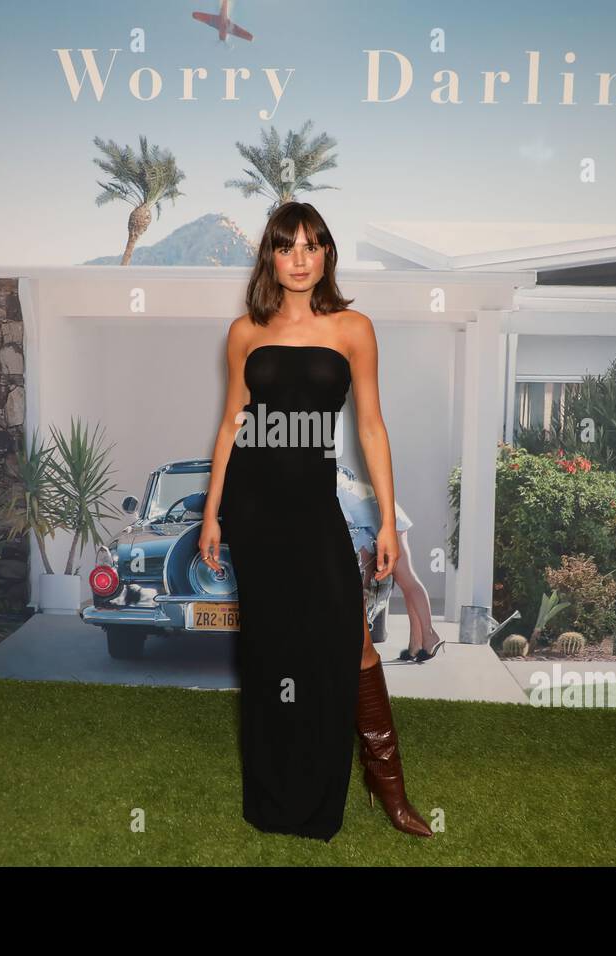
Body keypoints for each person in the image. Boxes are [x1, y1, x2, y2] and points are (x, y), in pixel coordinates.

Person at [198, 201, 432, 841]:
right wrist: (212, 515)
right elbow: (230, 425)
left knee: (350, 640)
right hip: (254, 508)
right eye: (286, 246)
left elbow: (371, 426)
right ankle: (275, 797)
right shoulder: (245, 331)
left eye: (312, 245)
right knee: (271, 650)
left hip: (312, 507)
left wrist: (387, 520)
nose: (299, 259)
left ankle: (392, 793)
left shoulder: (353, 328)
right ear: (270, 256)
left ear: (327, 254)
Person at [335, 465, 444, 663]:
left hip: (388, 521)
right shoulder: (338, 479)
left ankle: (430, 635)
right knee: (406, 583)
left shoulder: (332, 488)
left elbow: (345, 524)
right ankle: (416, 645)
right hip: (388, 517)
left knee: (408, 580)